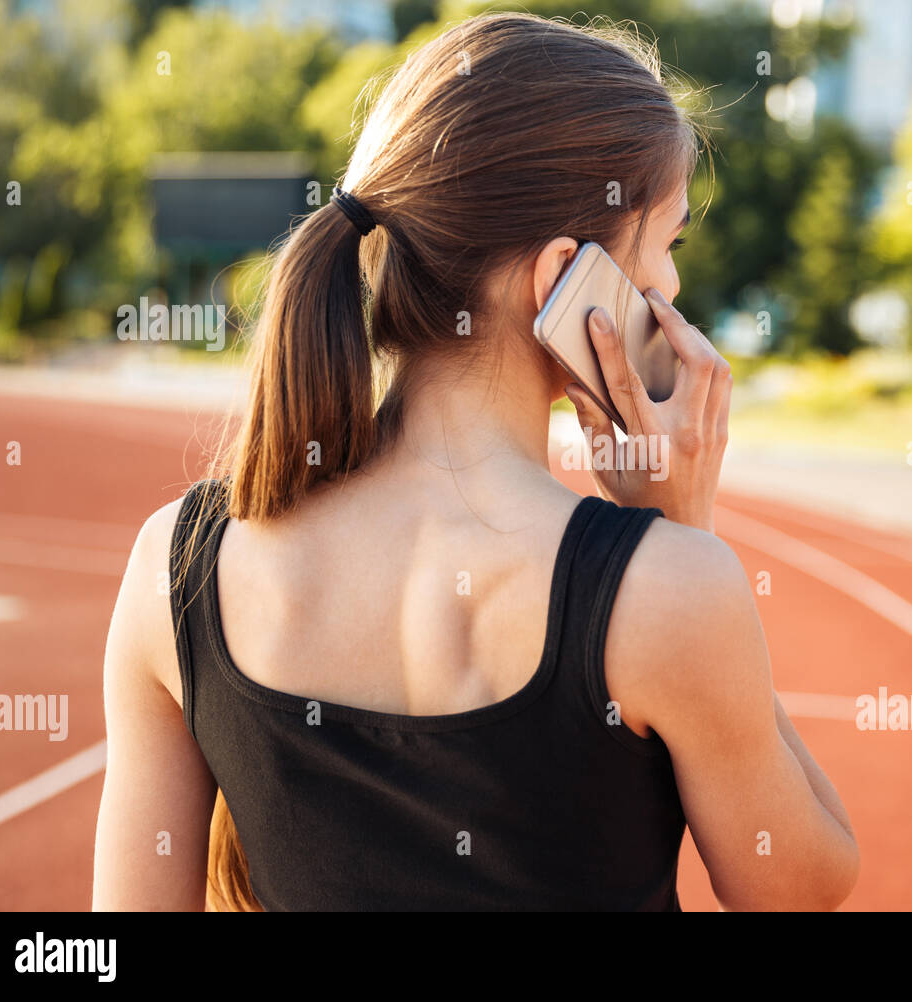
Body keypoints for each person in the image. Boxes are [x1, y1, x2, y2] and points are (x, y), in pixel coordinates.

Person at [92, 11, 858, 911]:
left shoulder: (173, 564)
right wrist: (685, 530)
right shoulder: (667, 591)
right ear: (563, 281)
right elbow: (802, 885)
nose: (673, 289)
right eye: (669, 244)